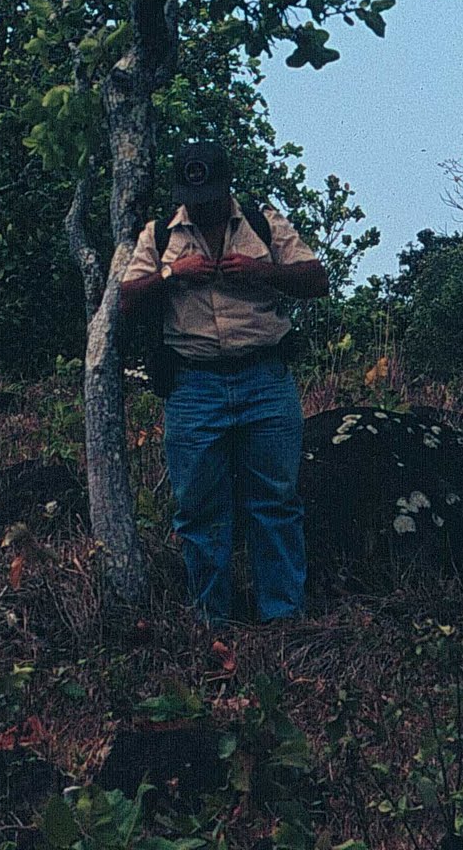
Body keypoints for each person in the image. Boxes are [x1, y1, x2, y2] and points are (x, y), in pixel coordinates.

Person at [119, 140, 328, 627]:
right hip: (193, 387)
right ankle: (212, 622)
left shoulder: (262, 222)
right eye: (194, 194)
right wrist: (173, 273)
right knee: (198, 510)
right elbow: (127, 300)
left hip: (265, 378)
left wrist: (263, 272)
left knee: (274, 501)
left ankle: (284, 617)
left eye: (210, 193)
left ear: (227, 186)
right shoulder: (157, 235)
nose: (203, 203)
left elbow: (317, 280)